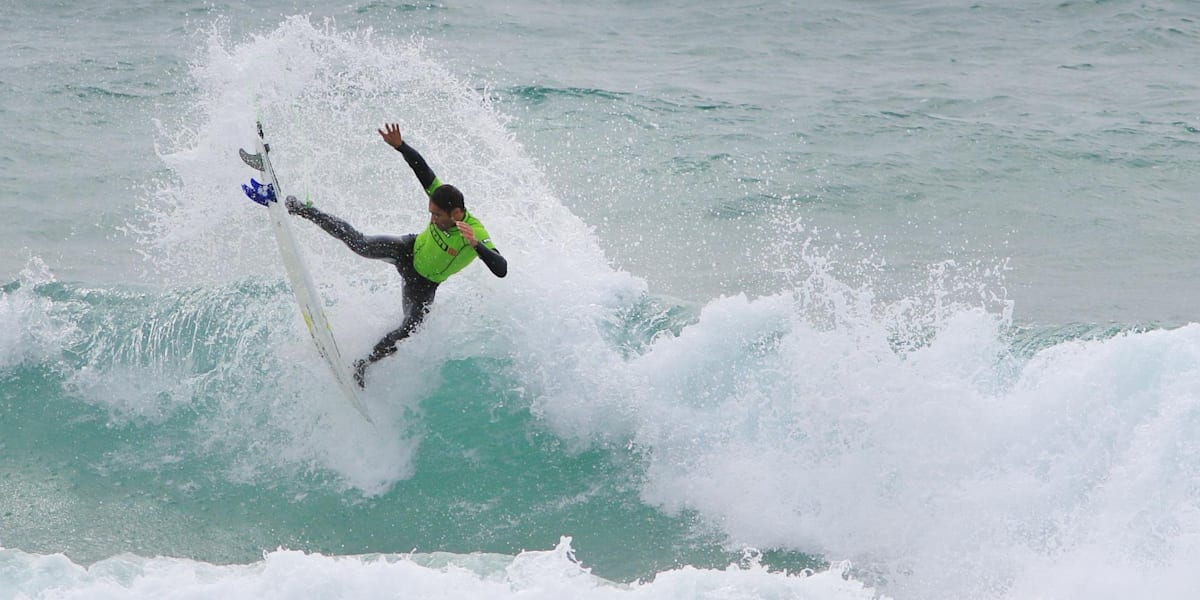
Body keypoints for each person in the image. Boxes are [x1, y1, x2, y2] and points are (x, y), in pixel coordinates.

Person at [242, 123, 508, 387]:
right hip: (407, 250)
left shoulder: (475, 232)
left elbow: (501, 268)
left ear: (456, 213)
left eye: (437, 215)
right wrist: (401, 146)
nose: (432, 219)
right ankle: (300, 208)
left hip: (423, 284)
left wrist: (476, 245)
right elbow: (423, 170)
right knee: (360, 243)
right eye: (431, 213)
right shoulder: (441, 197)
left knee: (408, 329)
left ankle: (362, 366)